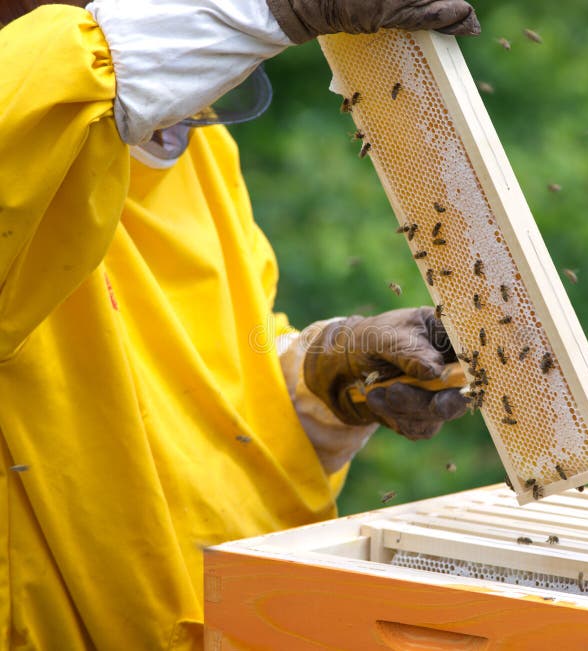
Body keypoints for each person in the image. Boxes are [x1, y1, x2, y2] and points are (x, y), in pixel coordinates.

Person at [0, 0, 479, 647]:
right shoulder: (33, 117)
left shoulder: (201, 148)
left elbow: (224, 372)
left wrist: (327, 370)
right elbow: (43, 92)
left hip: (223, 621)